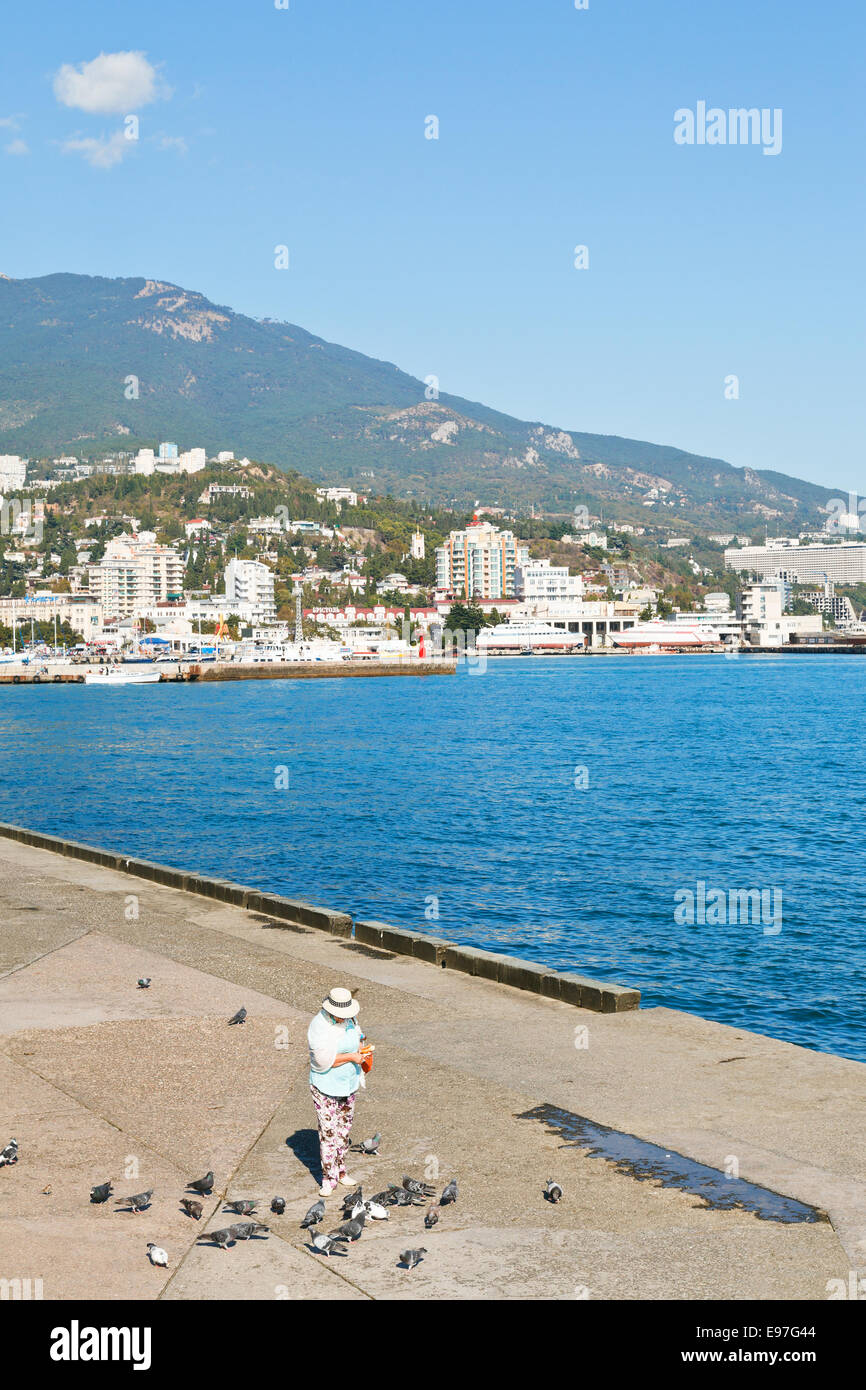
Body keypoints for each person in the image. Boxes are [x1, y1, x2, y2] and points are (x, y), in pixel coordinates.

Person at [307, 986, 365, 1196]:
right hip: (325, 1086)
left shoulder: (351, 1020)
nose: (345, 1018)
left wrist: (362, 1047)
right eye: (341, 1015)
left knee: (343, 1132)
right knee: (328, 1134)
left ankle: (341, 1171)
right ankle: (327, 1178)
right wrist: (351, 1057)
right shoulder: (319, 1026)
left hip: (348, 1084)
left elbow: (358, 1037)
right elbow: (322, 1061)